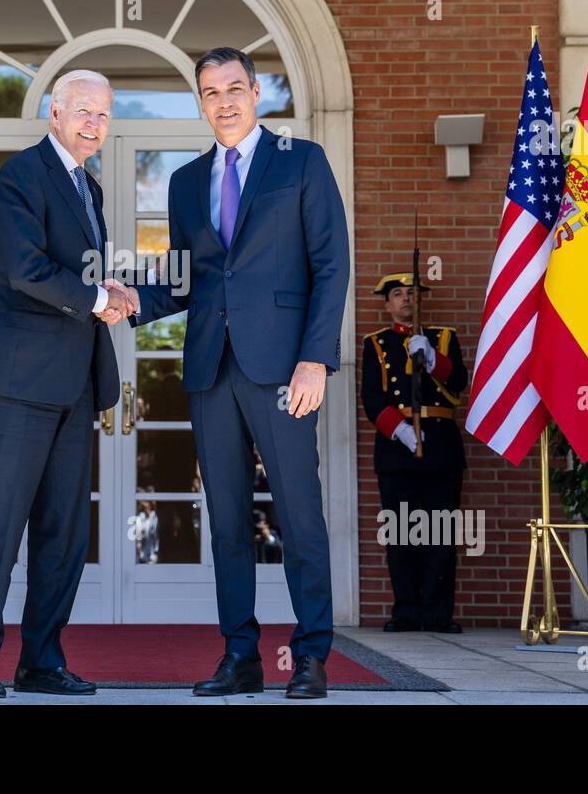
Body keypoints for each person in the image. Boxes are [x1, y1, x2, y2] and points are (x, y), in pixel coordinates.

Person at [110, 46, 350, 699]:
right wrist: (131, 301)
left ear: (256, 92)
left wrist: (315, 358)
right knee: (226, 519)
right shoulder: (186, 182)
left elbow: (331, 266)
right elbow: (187, 280)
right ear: (200, 101)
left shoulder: (302, 163)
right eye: (211, 92)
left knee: (300, 514)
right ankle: (240, 654)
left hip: (283, 370)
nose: (224, 102)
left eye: (235, 88)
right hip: (211, 371)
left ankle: (309, 657)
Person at [0, 69, 128, 698]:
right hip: (20, 384)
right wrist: (96, 296)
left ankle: (42, 661)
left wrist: (107, 294)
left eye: (103, 116)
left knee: (64, 534)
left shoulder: (91, 189)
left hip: (75, 385)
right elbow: (26, 269)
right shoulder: (22, 176)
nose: (93, 125)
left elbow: (78, 282)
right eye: (83, 111)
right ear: (55, 113)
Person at [360, 272, 469, 633]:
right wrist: (401, 430)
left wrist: (434, 360)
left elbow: (459, 384)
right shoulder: (375, 344)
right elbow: (372, 398)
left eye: (411, 293)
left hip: (440, 446)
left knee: (440, 532)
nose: (405, 299)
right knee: (402, 533)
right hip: (397, 449)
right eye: (397, 294)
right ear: (387, 303)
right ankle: (406, 611)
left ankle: (438, 613)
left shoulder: (443, 338)